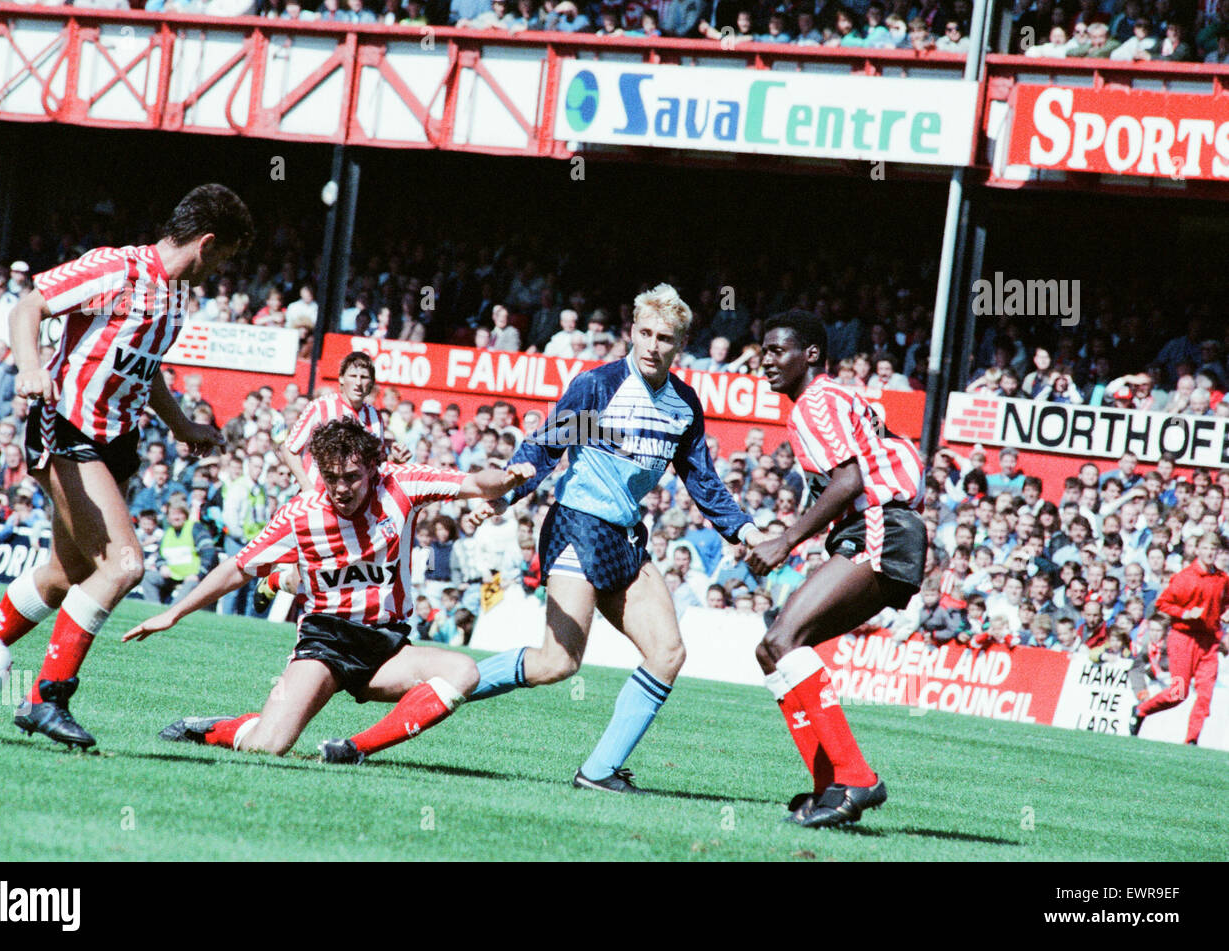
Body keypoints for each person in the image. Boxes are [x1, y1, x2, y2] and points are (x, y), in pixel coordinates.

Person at [0, 184, 252, 744]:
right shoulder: (119, 270)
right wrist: (32, 368)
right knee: (124, 564)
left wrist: (181, 425)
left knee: (68, 575)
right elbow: (27, 307)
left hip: (117, 443)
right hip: (67, 427)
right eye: (226, 257)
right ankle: (45, 699)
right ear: (207, 244)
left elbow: (144, 366)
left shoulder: (175, 295)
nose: (222, 271)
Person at [466, 284, 763, 793]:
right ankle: (447, 684)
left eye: (663, 337)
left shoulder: (683, 407)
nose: (651, 345)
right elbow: (545, 450)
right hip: (578, 524)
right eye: (644, 332)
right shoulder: (599, 387)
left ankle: (599, 772)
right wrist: (501, 499)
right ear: (631, 331)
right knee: (558, 661)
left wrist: (747, 529)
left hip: (626, 537)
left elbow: (702, 479)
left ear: (680, 344)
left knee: (668, 653)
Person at [122, 418, 535, 763]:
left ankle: (352, 749)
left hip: (385, 645)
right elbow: (237, 568)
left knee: (463, 670)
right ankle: (214, 728)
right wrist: (173, 613)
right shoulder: (300, 515)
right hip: (326, 642)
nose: (341, 488)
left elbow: (478, 482)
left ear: (373, 468)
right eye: (332, 477)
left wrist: (507, 478)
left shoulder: (402, 485)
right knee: (268, 745)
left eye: (352, 477)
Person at [746, 310, 924, 828]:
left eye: (779, 350)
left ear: (812, 355)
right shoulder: (837, 399)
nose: (768, 360)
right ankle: (830, 790)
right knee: (771, 650)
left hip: (880, 526)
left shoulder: (815, 403)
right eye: (764, 351)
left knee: (783, 640)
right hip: (878, 526)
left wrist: (786, 539)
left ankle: (857, 779)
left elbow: (848, 482)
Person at [257, 350, 412, 611]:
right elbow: (289, 449)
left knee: (337, 579)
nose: (359, 381)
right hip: (320, 502)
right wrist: (308, 489)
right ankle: (275, 581)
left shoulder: (374, 417)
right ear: (341, 379)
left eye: (365, 376)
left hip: (354, 508)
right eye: (353, 375)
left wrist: (395, 459)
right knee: (310, 580)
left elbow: (376, 463)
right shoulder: (322, 407)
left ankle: (279, 582)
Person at [1130, 533, 1229, 744]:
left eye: (1214, 549)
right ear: (1198, 550)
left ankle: (1191, 740)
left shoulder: (1222, 579)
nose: (1210, 553)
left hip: (1209, 642)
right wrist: (1185, 613)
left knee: (1205, 695)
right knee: (1178, 692)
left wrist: (1226, 612)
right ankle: (1141, 710)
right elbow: (1162, 603)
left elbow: (1225, 602)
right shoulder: (1185, 577)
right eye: (1206, 548)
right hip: (1183, 639)